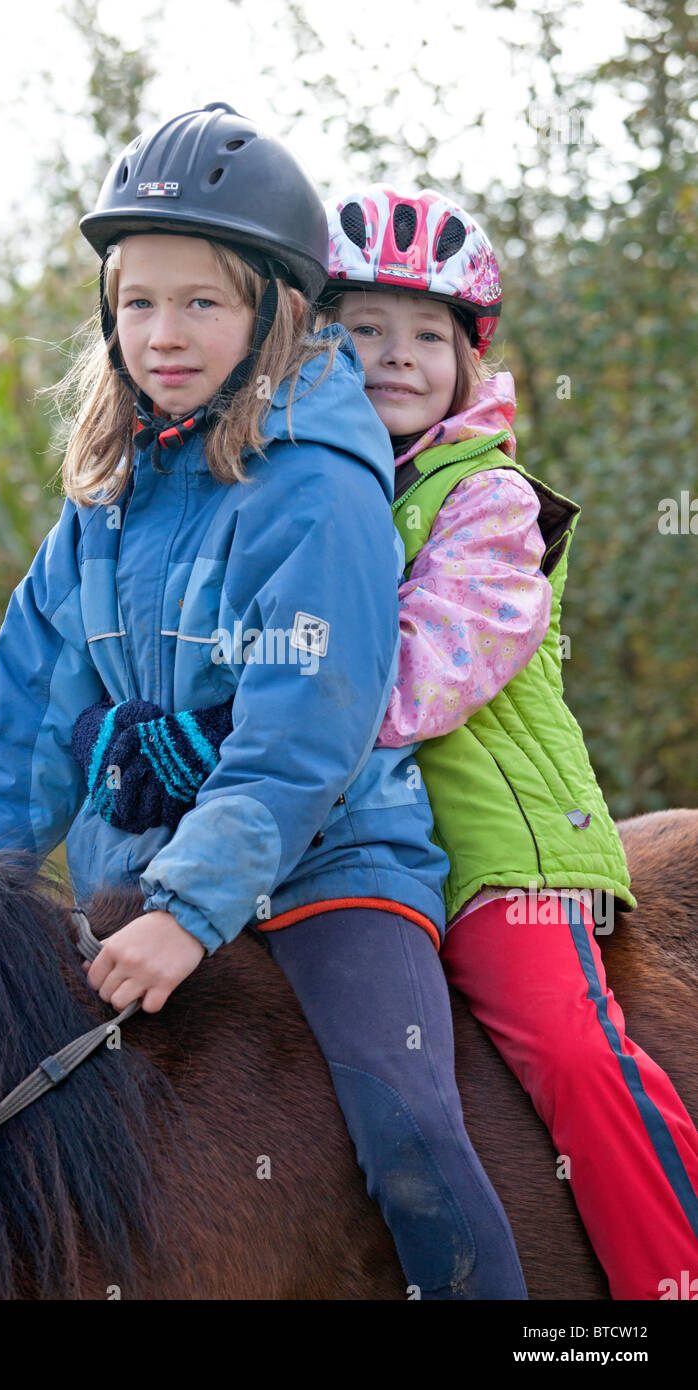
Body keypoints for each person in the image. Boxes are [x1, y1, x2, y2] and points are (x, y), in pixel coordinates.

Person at [0, 111, 526, 1299]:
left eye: (202, 303)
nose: (163, 333)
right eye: (139, 302)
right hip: (130, 870)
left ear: (273, 312)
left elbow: (305, 726)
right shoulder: (101, 498)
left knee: (406, 1121)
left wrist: (190, 909)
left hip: (327, 866)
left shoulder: (315, 482)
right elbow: (27, 728)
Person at [84, 178, 698, 1300]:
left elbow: (419, 672)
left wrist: (230, 726)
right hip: (344, 844)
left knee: (566, 1048)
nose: (395, 355)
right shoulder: (295, 488)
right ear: (312, 345)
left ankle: (674, 1274)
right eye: (362, 330)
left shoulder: (486, 503)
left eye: (428, 334)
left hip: (498, 854)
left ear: (470, 362)